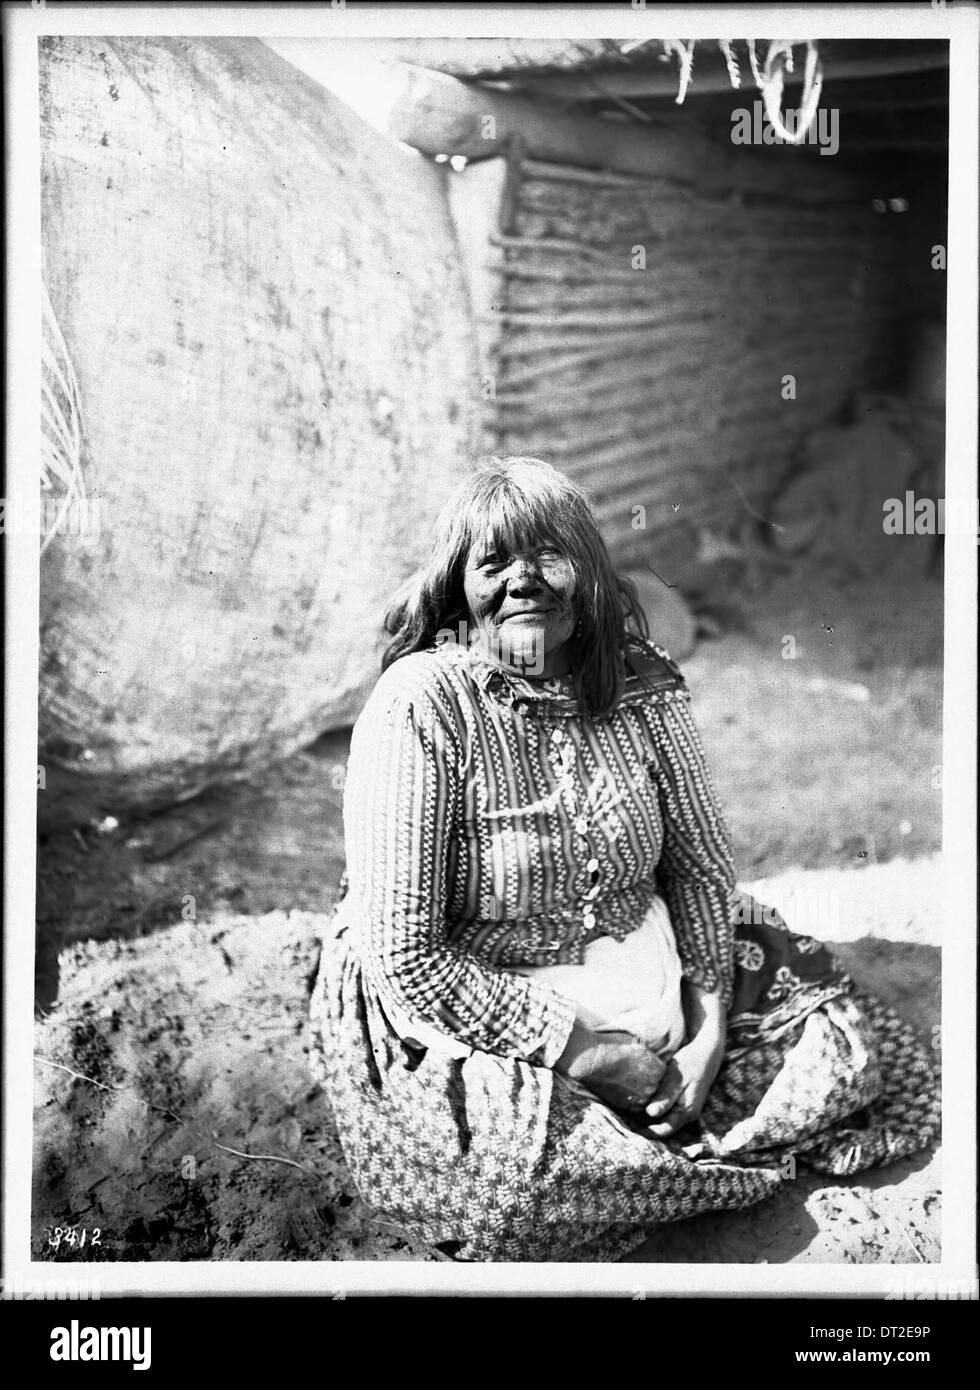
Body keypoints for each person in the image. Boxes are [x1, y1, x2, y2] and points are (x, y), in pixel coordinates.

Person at [309, 456, 940, 1262]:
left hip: (648, 968)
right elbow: (408, 953)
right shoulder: (422, 705)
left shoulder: (639, 683)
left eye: (550, 556)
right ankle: (651, 1139)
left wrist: (707, 1031)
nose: (524, 582)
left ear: (592, 575)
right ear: (456, 587)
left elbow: (699, 868)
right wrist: (593, 1055)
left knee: (836, 1052)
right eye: (493, 562)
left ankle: (681, 1114)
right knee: (513, 1186)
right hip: (471, 992)